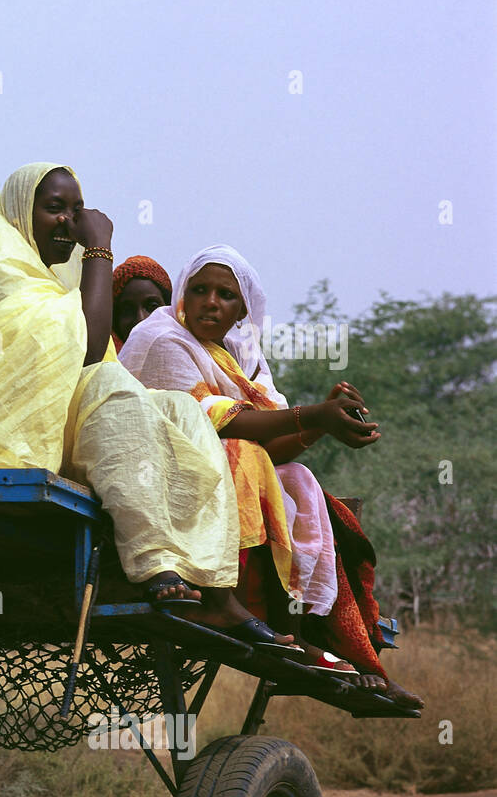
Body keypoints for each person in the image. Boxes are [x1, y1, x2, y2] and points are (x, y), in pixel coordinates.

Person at [0, 163, 292, 646]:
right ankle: (155, 561)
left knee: (183, 410)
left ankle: (217, 590)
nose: (70, 223)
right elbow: (90, 351)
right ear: (19, 211)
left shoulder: (58, 282)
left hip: (52, 423)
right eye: (54, 209)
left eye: (76, 210)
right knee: (110, 384)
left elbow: (78, 359)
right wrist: (99, 250)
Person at [120, 245, 422, 702]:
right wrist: (314, 415)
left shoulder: (244, 355)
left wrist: (321, 423)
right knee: (241, 454)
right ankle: (234, 604)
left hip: (217, 472)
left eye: (225, 294)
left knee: (297, 477)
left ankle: (319, 637)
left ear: (243, 307)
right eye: (199, 289)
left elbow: (274, 443)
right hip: (163, 477)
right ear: (182, 294)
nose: (210, 302)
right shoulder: (164, 340)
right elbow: (219, 421)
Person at [111, 255, 172, 351]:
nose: (140, 319)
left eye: (152, 307)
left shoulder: (193, 358)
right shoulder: (97, 363)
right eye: (128, 310)